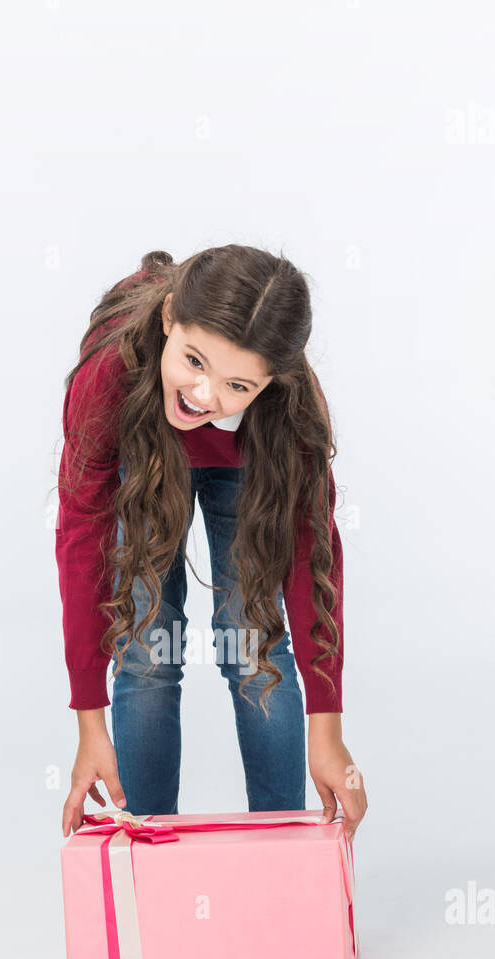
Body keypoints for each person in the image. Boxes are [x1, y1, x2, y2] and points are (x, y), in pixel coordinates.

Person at [55, 245, 367, 839]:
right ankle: (147, 842)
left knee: (254, 647)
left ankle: (282, 844)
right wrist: (89, 724)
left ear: (273, 382)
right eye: (194, 360)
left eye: (237, 384)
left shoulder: (290, 411)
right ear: (169, 317)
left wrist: (326, 727)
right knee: (148, 650)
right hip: (146, 449)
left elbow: (312, 561)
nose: (203, 395)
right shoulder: (110, 374)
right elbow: (81, 542)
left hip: (248, 463)